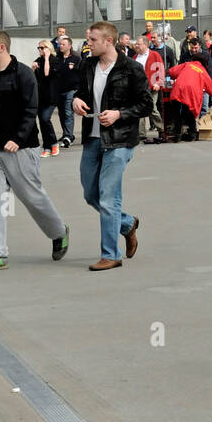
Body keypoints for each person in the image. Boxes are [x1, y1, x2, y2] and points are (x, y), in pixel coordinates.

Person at [0, 31, 70, 273]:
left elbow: (30, 109)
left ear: (2, 47)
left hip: (21, 148)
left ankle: (58, 231)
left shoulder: (23, 73)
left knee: (31, 197)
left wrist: (17, 138)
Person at [72, 21, 153, 271]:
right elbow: (83, 93)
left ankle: (111, 254)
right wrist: (77, 100)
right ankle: (127, 224)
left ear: (108, 41)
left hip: (119, 140)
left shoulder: (131, 69)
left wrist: (119, 114)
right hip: (93, 138)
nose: (89, 43)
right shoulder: (88, 65)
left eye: (93, 39)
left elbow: (146, 105)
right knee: (90, 194)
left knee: (108, 197)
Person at [165, 46, 212, 142]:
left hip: (178, 90)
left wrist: (168, 75)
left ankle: (177, 134)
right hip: (191, 93)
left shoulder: (187, 64)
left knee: (178, 113)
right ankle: (192, 134)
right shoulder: (202, 71)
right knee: (189, 112)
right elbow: (210, 86)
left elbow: (172, 71)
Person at [131, 35, 165, 141]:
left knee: (152, 108)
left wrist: (158, 83)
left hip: (151, 87)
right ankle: (141, 133)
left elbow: (160, 69)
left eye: (138, 44)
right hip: (138, 89)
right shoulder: (135, 57)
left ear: (145, 45)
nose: (136, 45)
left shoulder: (154, 55)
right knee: (139, 109)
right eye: (136, 44)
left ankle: (161, 129)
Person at [32, 40, 61, 157]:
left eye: (42, 47)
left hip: (51, 96)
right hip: (40, 96)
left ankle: (54, 143)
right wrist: (33, 69)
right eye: (38, 48)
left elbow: (47, 73)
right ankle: (47, 147)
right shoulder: (38, 61)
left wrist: (48, 58)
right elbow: (33, 78)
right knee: (42, 122)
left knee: (45, 119)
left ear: (48, 48)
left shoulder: (55, 61)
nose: (40, 50)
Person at [53, 36, 83, 148]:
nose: (61, 46)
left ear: (69, 46)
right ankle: (66, 133)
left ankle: (68, 136)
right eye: (60, 44)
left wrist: (79, 89)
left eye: (63, 44)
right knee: (61, 113)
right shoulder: (56, 58)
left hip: (72, 90)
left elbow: (81, 74)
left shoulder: (76, 59)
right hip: (59, 90)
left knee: (68, 112)